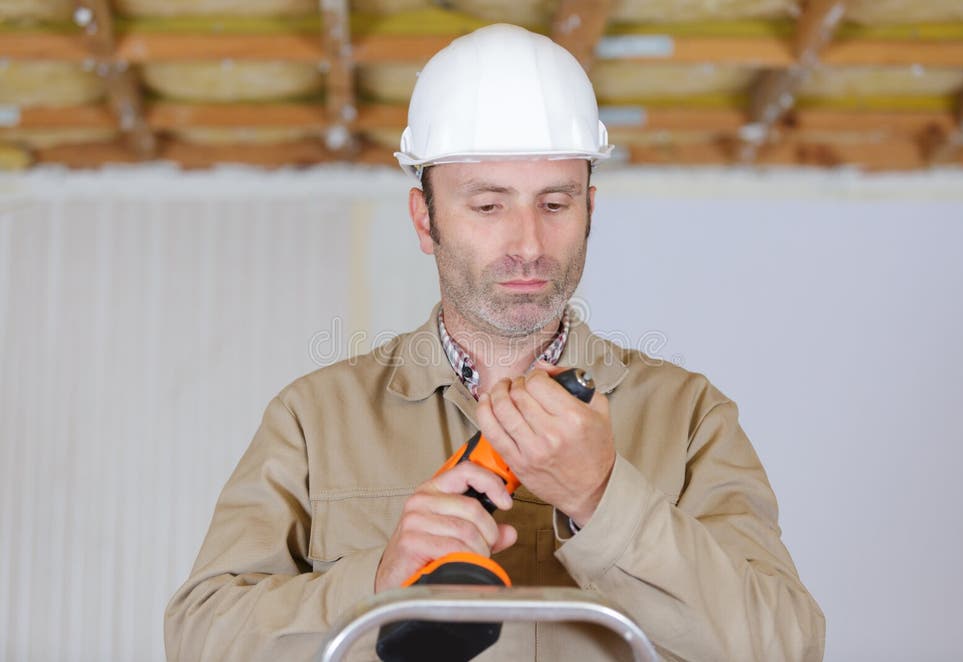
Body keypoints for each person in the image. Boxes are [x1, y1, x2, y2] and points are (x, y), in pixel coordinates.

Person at [165, 24, 825, 661]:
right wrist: (375, 582)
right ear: (425, 219)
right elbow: (197, 641)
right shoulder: (315, 418)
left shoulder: (688, 417)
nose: (529, 244)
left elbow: (786, 648)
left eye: (555, 204)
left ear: (591, 208)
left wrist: (604, 499)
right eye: (488, 206)